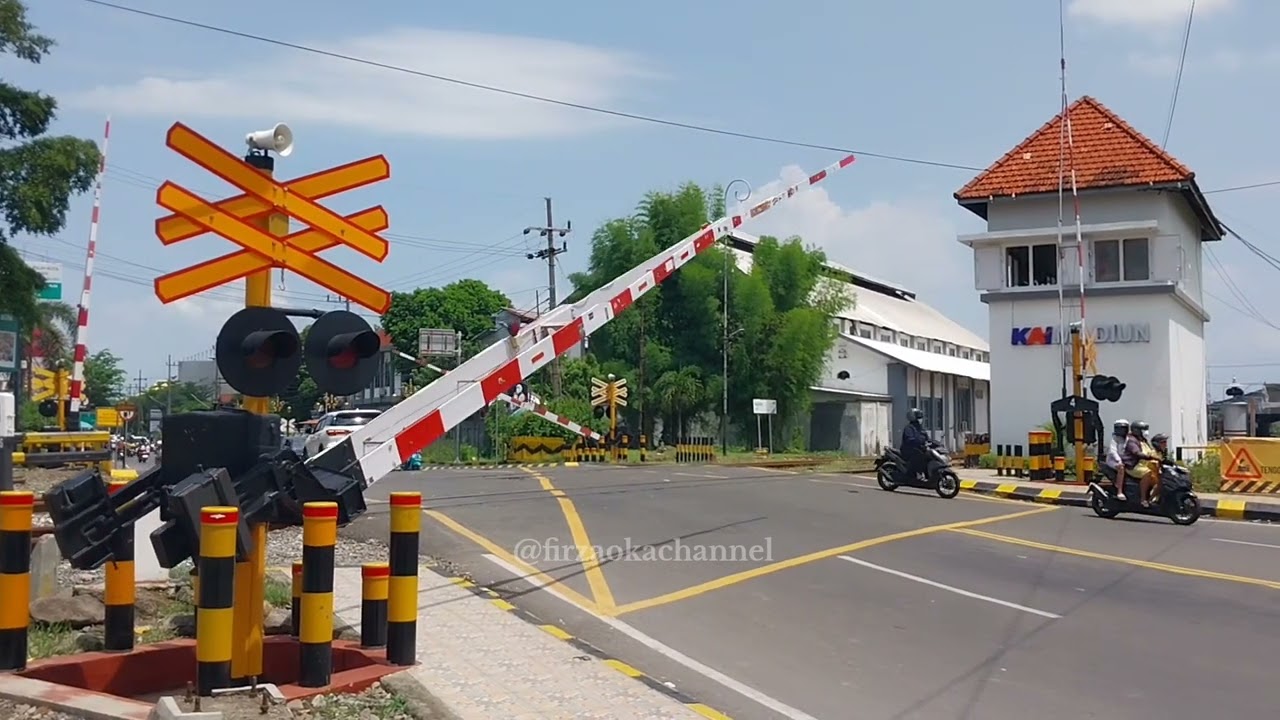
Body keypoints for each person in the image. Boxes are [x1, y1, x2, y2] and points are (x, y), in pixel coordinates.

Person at [1125, 421, 1159, 506]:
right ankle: (1143, 499)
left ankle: (1153, 497)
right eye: (1143, 430)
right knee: (1147, 473)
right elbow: (1136, 452)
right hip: (1133, 466)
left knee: (1160, 476)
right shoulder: (1131, 441)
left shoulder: (1144, 440)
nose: (1146, 432)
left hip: (1144, 464)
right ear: (1137, 430)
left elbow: (1151, 452)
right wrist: (1147, 456)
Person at [1104, 418, 1130, 501]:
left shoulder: (1128, 438)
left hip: (1125, 459)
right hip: (1113, 460)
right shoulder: (1114, 438)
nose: (1122, 430)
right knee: (1121, 468)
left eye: (1123, 428)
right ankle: (1119, 491)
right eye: (1119, 428)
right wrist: (1119, 460)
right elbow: (1113, 451)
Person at [900, 408, 929, 479]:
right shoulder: (909, 428)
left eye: (921, 417)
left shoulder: (920, 428)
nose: (921, 419)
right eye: (919, 417)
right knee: (919, 457)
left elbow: (926, 437)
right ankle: (917, 473)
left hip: (918, 449)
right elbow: (910, 440)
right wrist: (920, 441)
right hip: (909, 451)